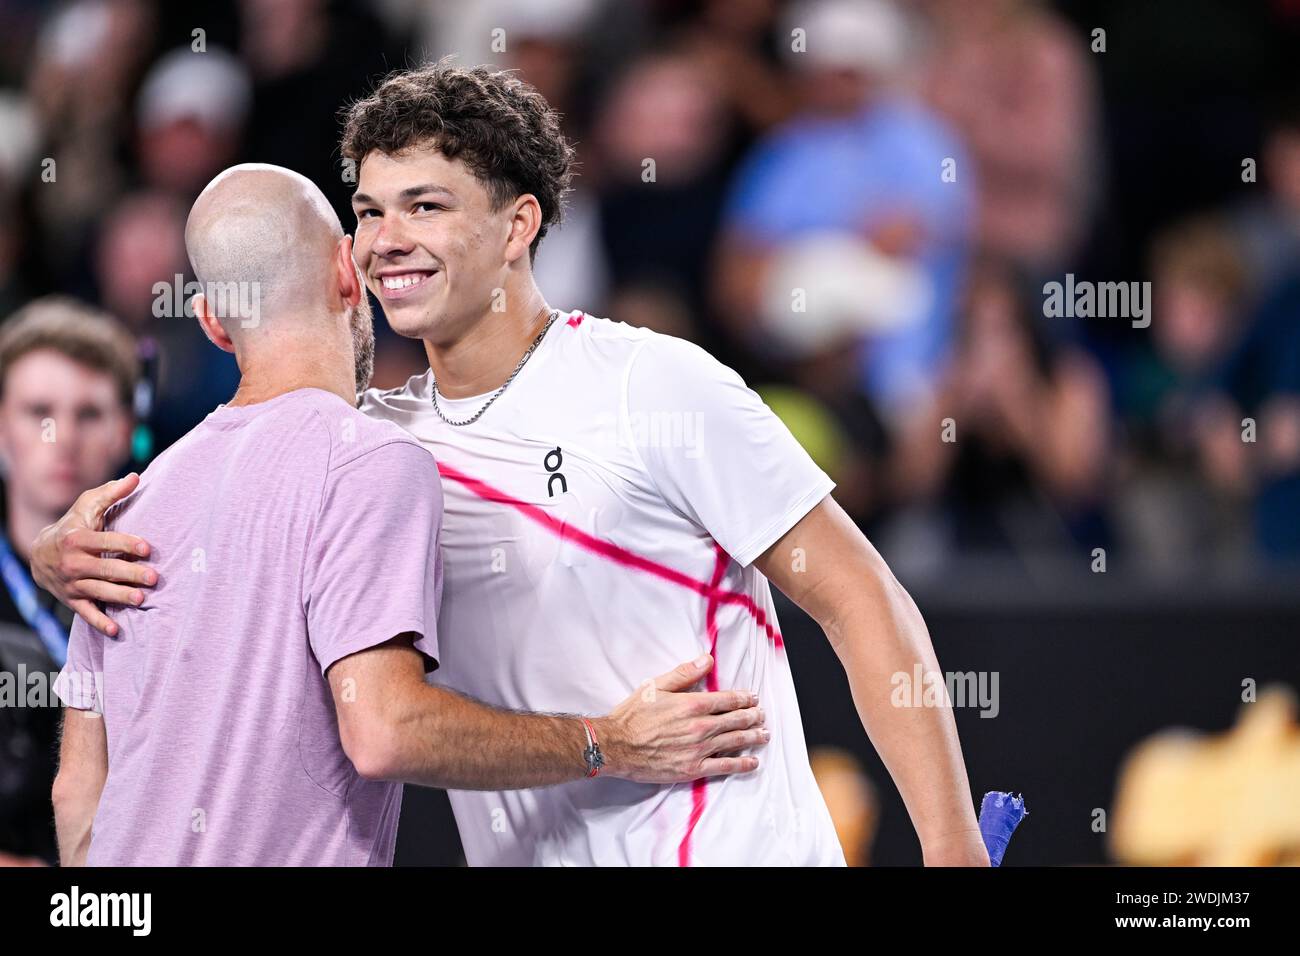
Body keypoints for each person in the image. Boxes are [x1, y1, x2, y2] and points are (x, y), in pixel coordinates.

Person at [39, 63, 987, 866]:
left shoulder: (654, 386)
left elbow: (863, 602)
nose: (386, 241)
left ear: (518, 224)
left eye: (425, 206)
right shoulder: (366, 453)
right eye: (368, 212)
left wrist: (954, 853)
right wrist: (56, 550)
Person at [44, 164, 764, 867]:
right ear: (345, 272)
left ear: (211, 321)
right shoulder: (369, 460)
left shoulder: (119, 511)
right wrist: (610, 742)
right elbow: (384, 732)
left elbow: (76, 794)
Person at [0, 297, 135, 866]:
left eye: (89, 414)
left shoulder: (163, 575)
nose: (64, 438)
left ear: (126, 429)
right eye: (39, 412)